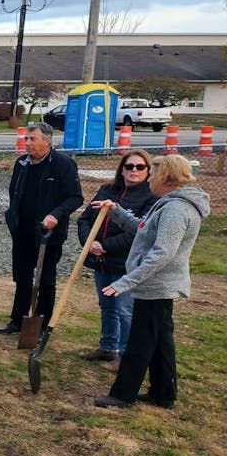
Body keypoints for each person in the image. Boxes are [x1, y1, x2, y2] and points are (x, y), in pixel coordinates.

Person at [92, 155, 210, 409]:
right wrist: (116, 211)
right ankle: (163, 393)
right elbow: (143, 228)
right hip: (155, 284)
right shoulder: (168, 204)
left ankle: (123, 394)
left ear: (167, 177)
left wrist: (127, 281)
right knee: (160, 341)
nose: (149, 179)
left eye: (153, 174)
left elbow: (162, 252)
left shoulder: (176, 209)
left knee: (140, 343)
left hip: (156, 285)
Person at [0, 122, 83, 335]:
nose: (27, 143)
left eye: (32, 139)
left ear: (47, 140)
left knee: (45, 280)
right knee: (23, 277)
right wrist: (13, 216)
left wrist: (56, 214)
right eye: (26, 139)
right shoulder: (22, 163)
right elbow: (14, 192)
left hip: (48, 234)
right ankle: (18, 319)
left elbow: (75, 197)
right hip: (22, 231)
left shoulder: (63, 164)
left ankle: (43, 325)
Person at [76, 150, 157, 366]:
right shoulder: (106, 190)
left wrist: (105, 245)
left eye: (140, 167)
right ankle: (108, 347)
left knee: (125, 310)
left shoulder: (151, 197)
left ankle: (126, 356)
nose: (133, 171)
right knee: (107, 306)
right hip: (100, 261)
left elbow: (138, 233)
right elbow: (84, 220)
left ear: (148, 171)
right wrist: (89, 242)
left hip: (126, 264)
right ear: (122, 168)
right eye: (129, 166)